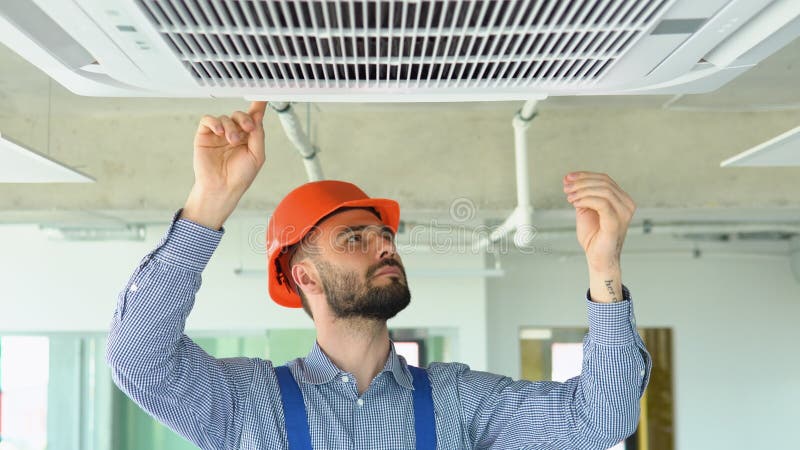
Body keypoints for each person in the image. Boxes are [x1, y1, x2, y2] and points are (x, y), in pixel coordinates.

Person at [106, 101, 652, 450]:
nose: (385, 245)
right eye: (355, 239)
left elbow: (599, 419)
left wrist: (604, 267)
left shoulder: (455, 401)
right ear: (307, 278)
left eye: (384, 235)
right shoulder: (248, 404)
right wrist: (210, 202)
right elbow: (139, 358)